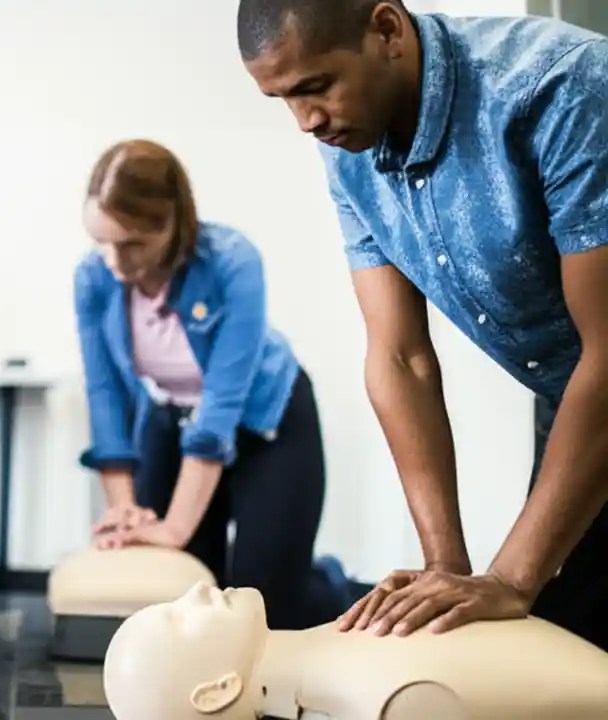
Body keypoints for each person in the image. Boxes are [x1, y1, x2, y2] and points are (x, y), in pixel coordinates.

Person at [237, 0, 608, 651]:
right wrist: (446, 565)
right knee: (559, 643)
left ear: (386, 30)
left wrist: (509, 578)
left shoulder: (561, 85)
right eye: (283, 99)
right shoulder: (347, 144)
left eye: (316, 86)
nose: (305, 120)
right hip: (576, 394)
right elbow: (398, 356)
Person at [74, 139, 353, 630]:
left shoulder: (233, 262)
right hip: (173, 420)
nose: (114, 260)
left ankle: (330, 584)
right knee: (185, 596)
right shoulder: (94, 278)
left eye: (132, 243)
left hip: (264, 421)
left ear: (173, 223)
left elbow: (220, 407)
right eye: (102, 241)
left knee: (261, 602)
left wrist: (175, 528)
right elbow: (105, 396)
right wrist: (125, 511)